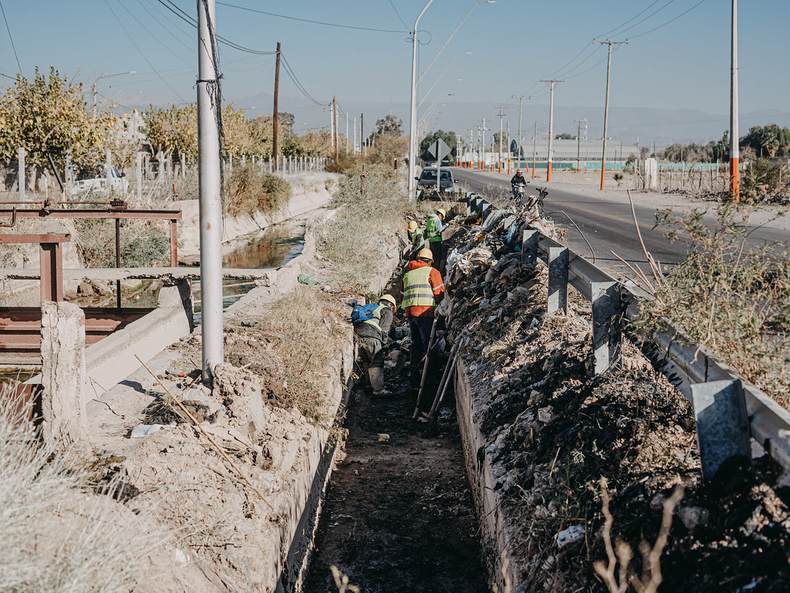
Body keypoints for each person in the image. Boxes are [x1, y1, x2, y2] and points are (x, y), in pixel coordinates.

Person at [400, 248, 445, 383]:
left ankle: (414, 375)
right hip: (426, 312)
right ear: (430, 261)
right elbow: (439, 294)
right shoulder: (432, 272)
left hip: (410, 313)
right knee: (427, 344)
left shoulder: (407, 275)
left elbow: (402, 297)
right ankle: (428, 377)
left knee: (415, 343)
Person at [354, 294, 396, 396]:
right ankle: (378, 390)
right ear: (391, 305)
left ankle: (368, 385)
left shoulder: (373, 307)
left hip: (359, 333)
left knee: (367, 361)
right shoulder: (387, 311)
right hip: (372, 334)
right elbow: (385, 330)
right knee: (377, 361)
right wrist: (384, 343)